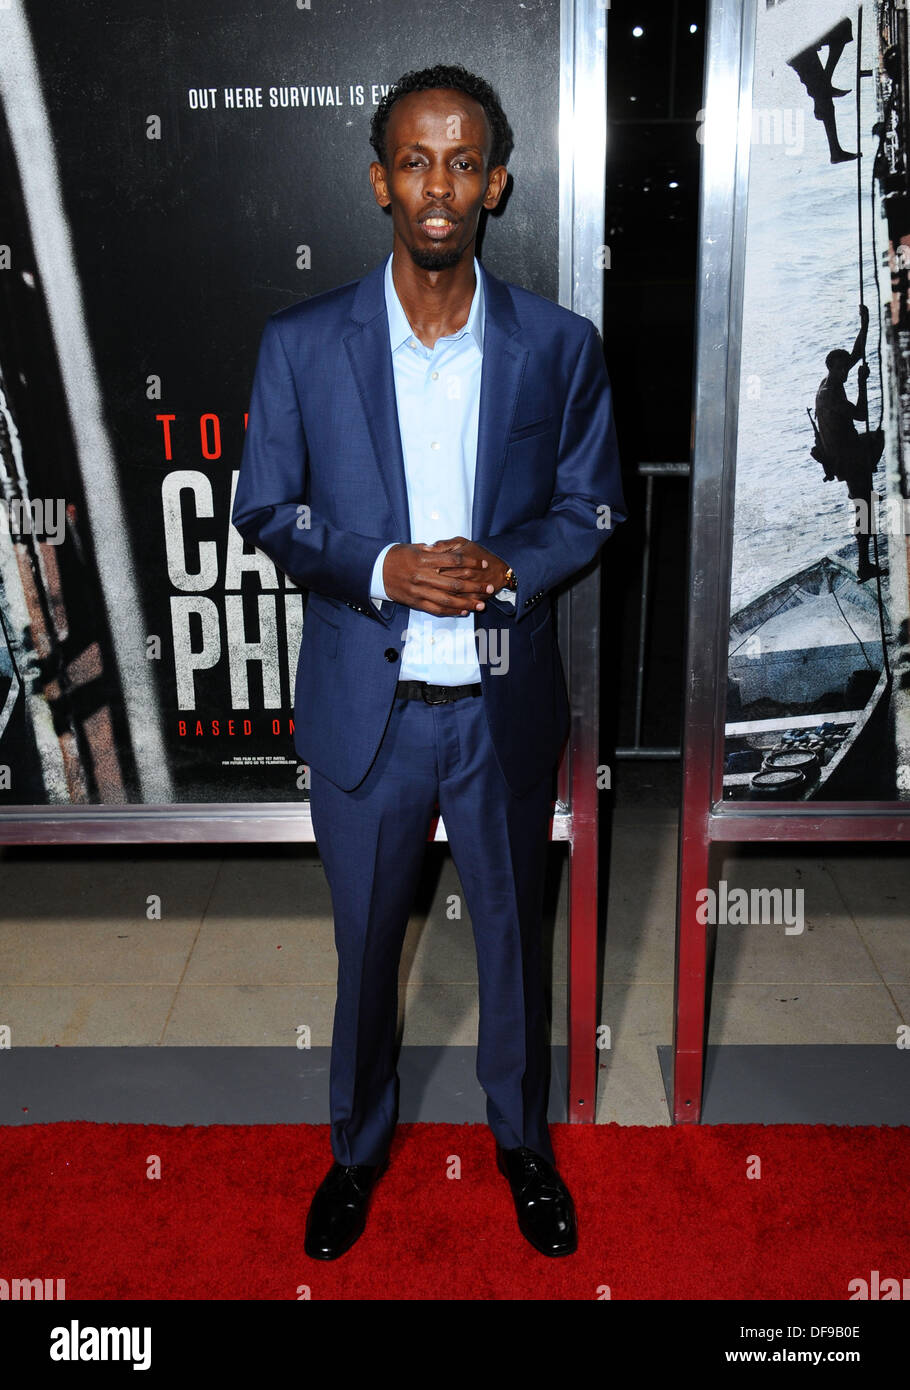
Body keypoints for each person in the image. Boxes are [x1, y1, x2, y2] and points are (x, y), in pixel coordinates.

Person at [232, 63, 626, 1260]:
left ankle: (521, 1148)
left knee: (511, 945)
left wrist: (501, 565)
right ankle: (355, 1149)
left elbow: (595, 509)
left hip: (499, 706)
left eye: (463, 161)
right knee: (367, 949)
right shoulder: (302, 346)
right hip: (372, 710)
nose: (439, 184)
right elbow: (267, 509)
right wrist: (384, 567)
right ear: (379, 182)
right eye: (415, 160)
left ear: (496, 183)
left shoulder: (558, 346)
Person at [815, 305, 884, 581]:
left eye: (847, 368)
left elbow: (856, 355)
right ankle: (865, 565)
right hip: (848, 459)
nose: (847, 370)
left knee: (878, 438)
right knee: (864, 508)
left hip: (848, 453)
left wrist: (864, 326)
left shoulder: (830, 380)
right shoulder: (832, 394)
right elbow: (862, 414)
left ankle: (869, 472)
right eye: (843, 368)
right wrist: (862, 382)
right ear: (833, 367)